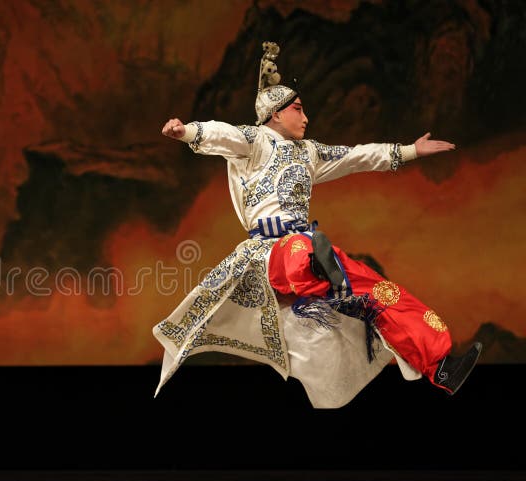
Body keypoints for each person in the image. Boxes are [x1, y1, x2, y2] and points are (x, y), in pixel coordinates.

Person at [153, 42, 481, 408]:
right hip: (270, 253)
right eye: (298, 109)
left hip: (307, 243)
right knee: (299, 250)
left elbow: (357, 156)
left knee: (384, 292)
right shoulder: (256, 141)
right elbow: (223, 133)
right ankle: (322, 272)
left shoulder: (310, 153)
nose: (306, 117)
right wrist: (186, 132)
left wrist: (409, 150)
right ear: (275, 114)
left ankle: (442, 366)